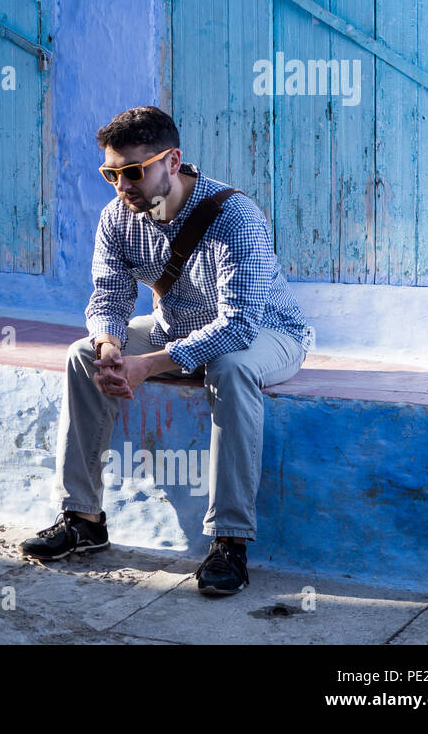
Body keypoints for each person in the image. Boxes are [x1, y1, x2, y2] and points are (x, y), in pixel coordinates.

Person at [20, 106, 315, 595]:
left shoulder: (234, 217)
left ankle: (229, 541)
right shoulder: (118, 217)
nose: (121, 185)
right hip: (174, 327)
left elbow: (238, 326)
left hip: (270, 332)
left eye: (133, 171)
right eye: (110, 173)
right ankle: (83, 518)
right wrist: (111, 347)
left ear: (172, 161)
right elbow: (109, 296)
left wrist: (150, 365)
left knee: (231, 367)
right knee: (81, 354)